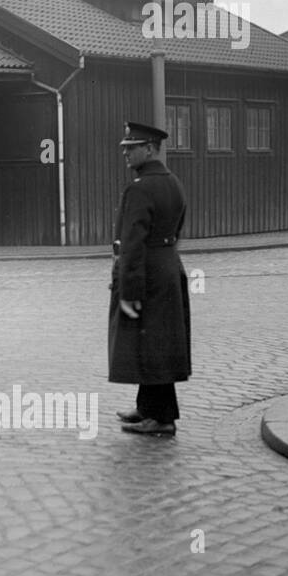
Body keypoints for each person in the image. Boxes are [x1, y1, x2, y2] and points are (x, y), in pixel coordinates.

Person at [108, 121, 191, 435]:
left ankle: (162, 418)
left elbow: (132, 244)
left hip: (146, 272)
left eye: (132, 148)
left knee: (151, 343)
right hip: (168, 267)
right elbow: (178, 228)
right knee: (158, 341)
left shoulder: (140, 188)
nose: (126, 153)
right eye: (125, 148)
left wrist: (128, 291)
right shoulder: (174, 183)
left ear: (150, 149)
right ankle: (148, 407)